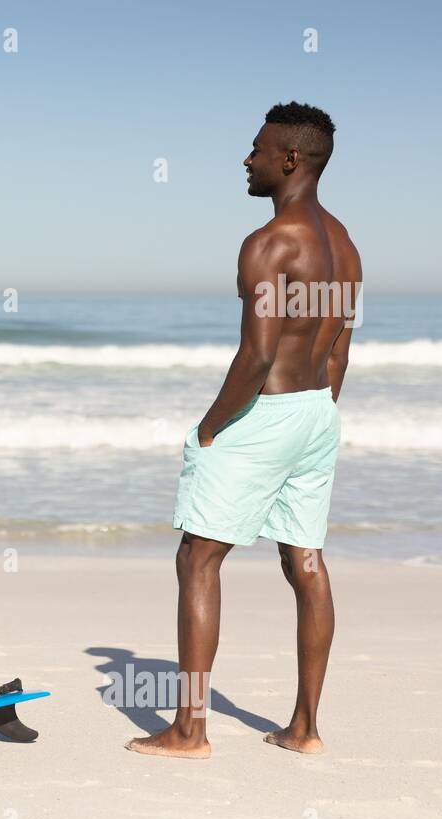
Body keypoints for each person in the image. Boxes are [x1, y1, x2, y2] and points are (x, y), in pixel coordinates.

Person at [127, 102, 362, 759]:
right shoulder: (343, 243)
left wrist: (208, 429)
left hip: (269, 412)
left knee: (199, 556)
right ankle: (304, 728)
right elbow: (338, 347)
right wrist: (316, 412)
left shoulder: (268, 244)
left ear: (289, 159)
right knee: (306, 560)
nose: (246, 159)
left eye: (256, 149)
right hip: (318, 411)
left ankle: (189, 729)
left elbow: (256, 357)